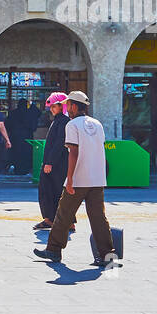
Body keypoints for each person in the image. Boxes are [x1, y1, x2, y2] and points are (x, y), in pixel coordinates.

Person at [34, 91, 117, 265]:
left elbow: (74, 152)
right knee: (99, 218)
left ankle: (53, 250)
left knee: (63, 215)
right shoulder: (97, 124)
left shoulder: (72, 125)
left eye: (69, 104)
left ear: (74, 105)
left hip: (79, 178)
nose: (67, 108)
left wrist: (69, 178)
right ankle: (107, 256)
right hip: (97, 178)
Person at [35, 91, 70, 230]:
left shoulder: (63, 122)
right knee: (53, 191)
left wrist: (50, 162)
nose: (52, 109)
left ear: (62, 106)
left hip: (56, 164)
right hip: (56, 163)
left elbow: (59, 144)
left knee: (51, 191)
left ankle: (54, 220)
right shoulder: (59, 120)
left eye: (54, 106)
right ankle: (57, 220)